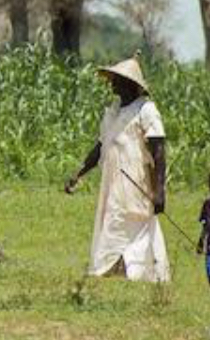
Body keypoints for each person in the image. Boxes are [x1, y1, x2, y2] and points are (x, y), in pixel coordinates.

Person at [63, 56, 170, 282]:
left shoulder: (146, 110)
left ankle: (139, 269)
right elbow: (101, 147)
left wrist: (160, 190)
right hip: (112, 181)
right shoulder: (113, 112)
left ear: (130, 84)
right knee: (112, 220)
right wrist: (78, 174)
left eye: (117, 80)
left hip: (137, 181)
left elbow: (159, 151)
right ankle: (113, 267)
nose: (111, 84)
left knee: (137, 222)